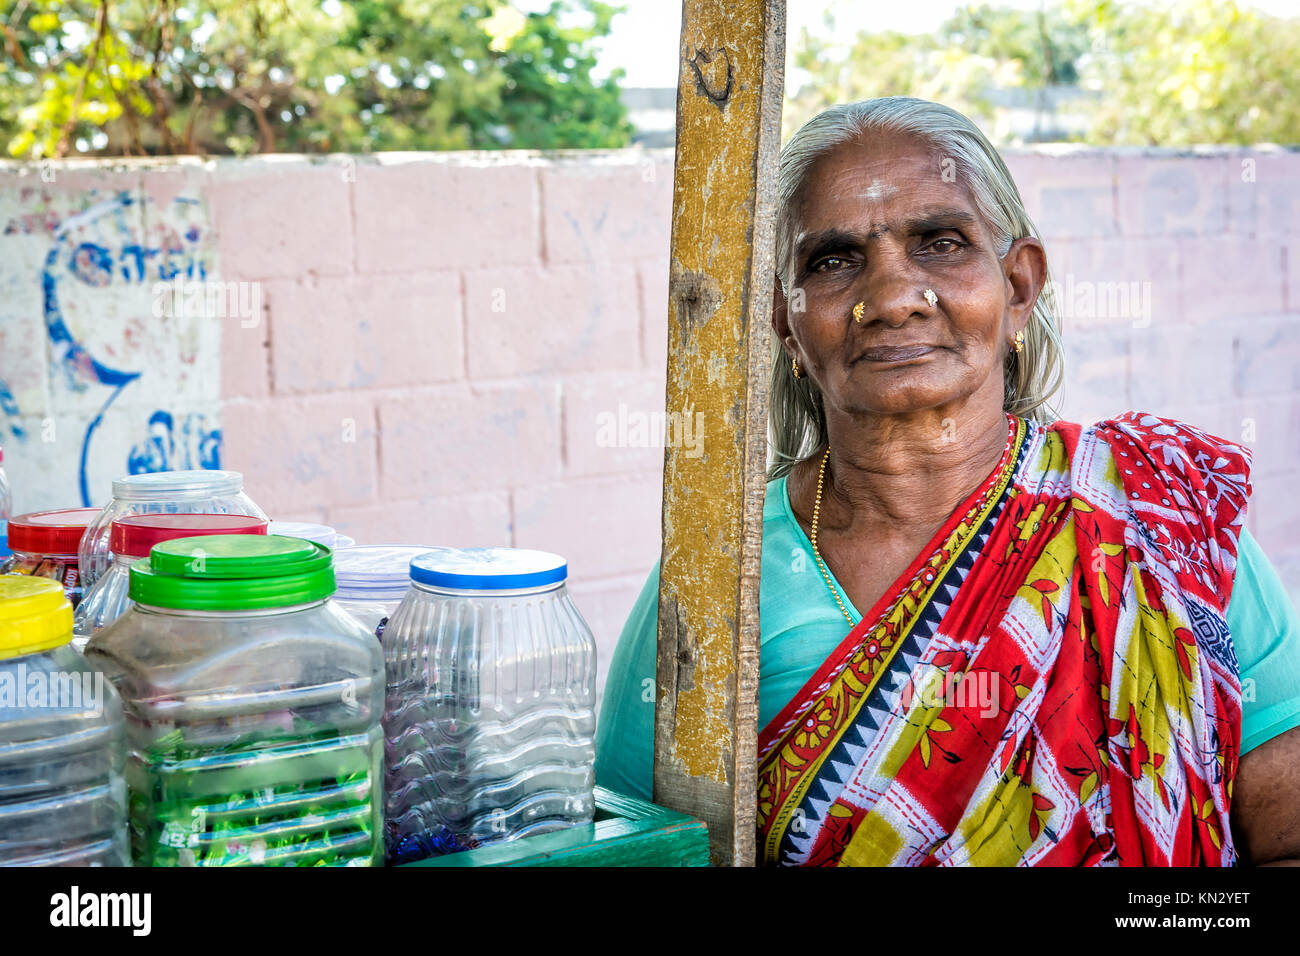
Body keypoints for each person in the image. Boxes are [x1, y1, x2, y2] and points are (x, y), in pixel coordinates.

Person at [595, 97, 1300, 866]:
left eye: (940, 243)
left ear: (1019, 287)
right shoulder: (712, 582)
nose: (893, 297)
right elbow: (642, 852)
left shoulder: (1159, 520)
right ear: (785, 321)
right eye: (833, 260)